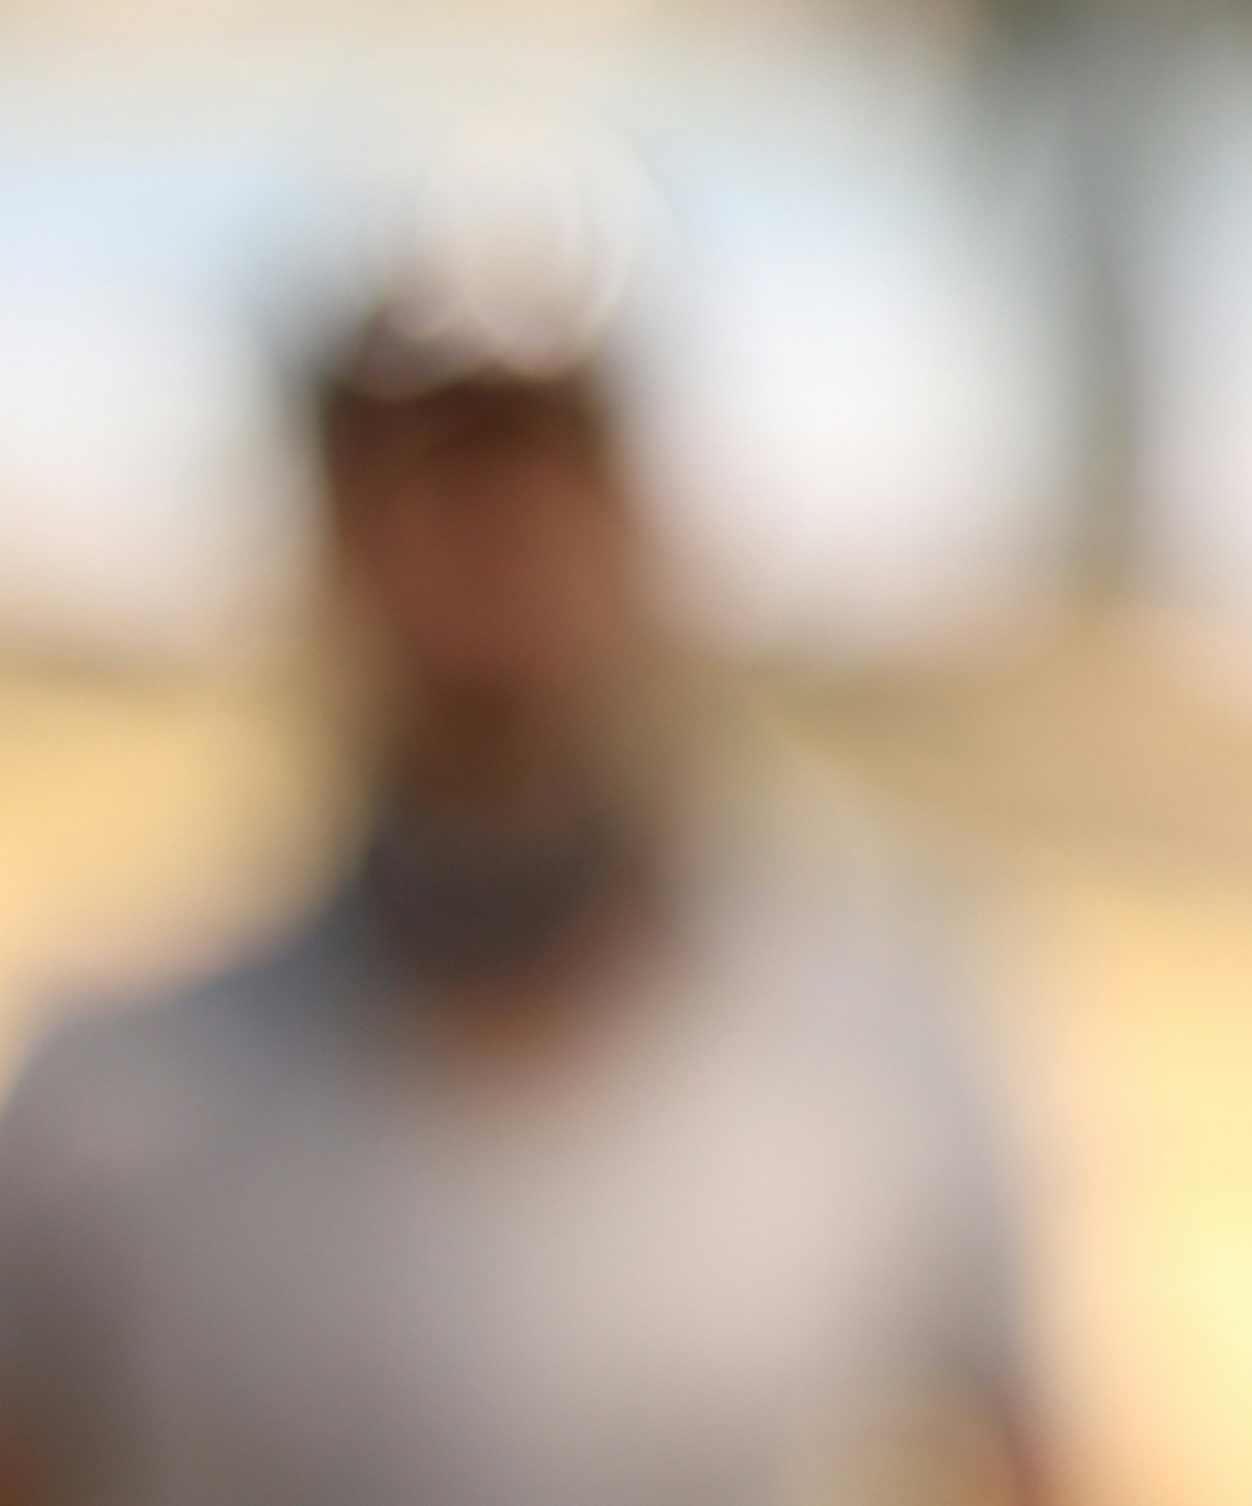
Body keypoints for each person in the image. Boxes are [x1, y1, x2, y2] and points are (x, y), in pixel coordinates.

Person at [0, 289, 1051, 1506]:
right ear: (331, 556)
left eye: (541, 500)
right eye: (419, 502)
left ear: (645, 540)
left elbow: (1030, 1458)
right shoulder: (108, 1098)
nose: (485, 579)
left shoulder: (881, 1036)